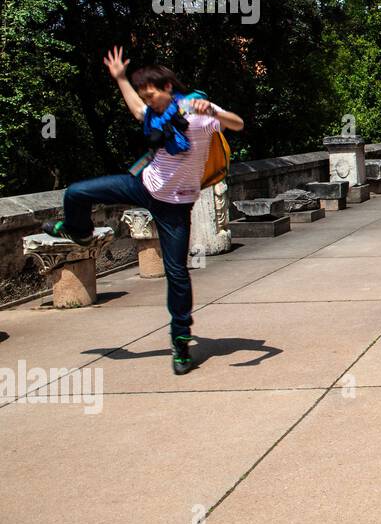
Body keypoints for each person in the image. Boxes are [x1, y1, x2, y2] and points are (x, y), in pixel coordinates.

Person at [42, 47, 244, 375]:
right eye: (141, 93)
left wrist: (216, 113)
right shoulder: (152, 112)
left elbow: (238, 123)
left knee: (176, 273)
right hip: (143, 186)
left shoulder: (197, 113)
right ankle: (78, 231)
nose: (144, 98)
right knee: (76, 192)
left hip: (175, 207)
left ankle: (180, 340)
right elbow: (136, 109)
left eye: (148, 92)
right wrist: (120, 77)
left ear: (166, 87)